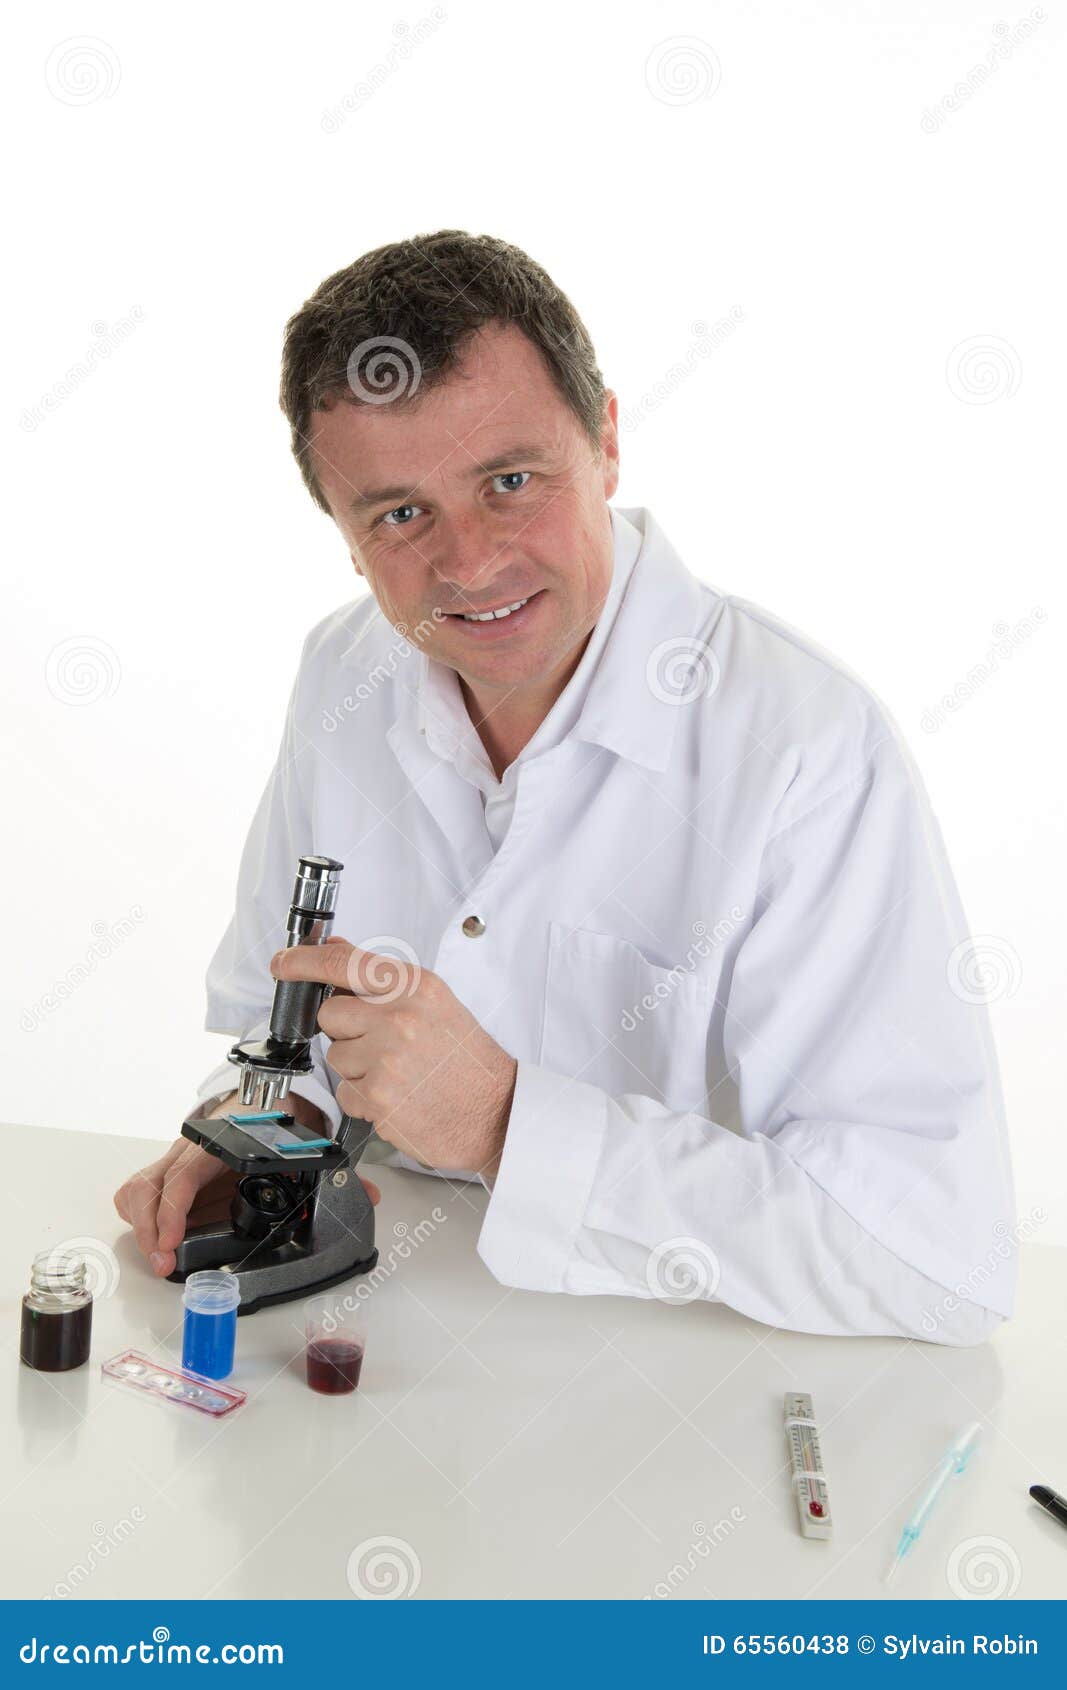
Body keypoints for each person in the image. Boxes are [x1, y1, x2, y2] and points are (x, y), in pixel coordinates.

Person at [114, 229, 1017, 1343]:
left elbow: (931, 1253)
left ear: (605, 441)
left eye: (509, 481)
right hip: (400, 1335)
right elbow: (281, 1019)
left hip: (687, 1388)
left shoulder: (806, 749)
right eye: (398, 514)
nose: (469, 561)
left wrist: (504, 1125)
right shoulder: (344, 672)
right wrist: (261, 1123)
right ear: (343, 536)